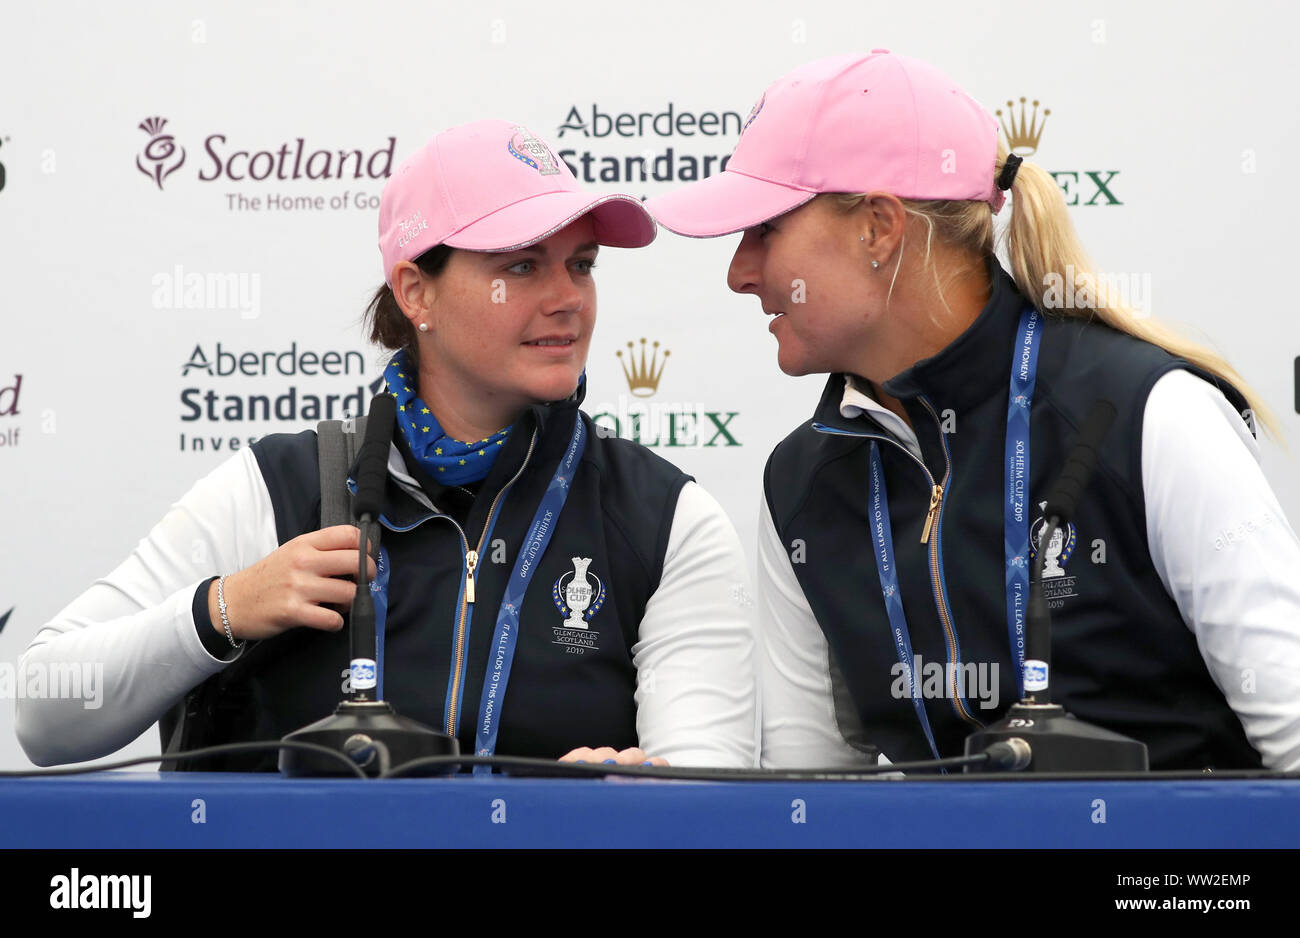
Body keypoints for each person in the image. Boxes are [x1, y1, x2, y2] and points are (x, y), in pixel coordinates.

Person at [17, 120, 757, 771]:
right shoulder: (277, 488)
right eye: (522, 266)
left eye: (582, 264)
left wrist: (638, 798)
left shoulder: (664, 519)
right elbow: (43, 714)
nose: (567, 296)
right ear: (416, 292)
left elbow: (710, 791)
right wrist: (223, 609)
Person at [645, 51, 1300, 771]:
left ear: (878, 228)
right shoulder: (801, 480)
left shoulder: (1152, 414)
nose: (739, 273)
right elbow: (811, 798)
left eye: (764, 230)